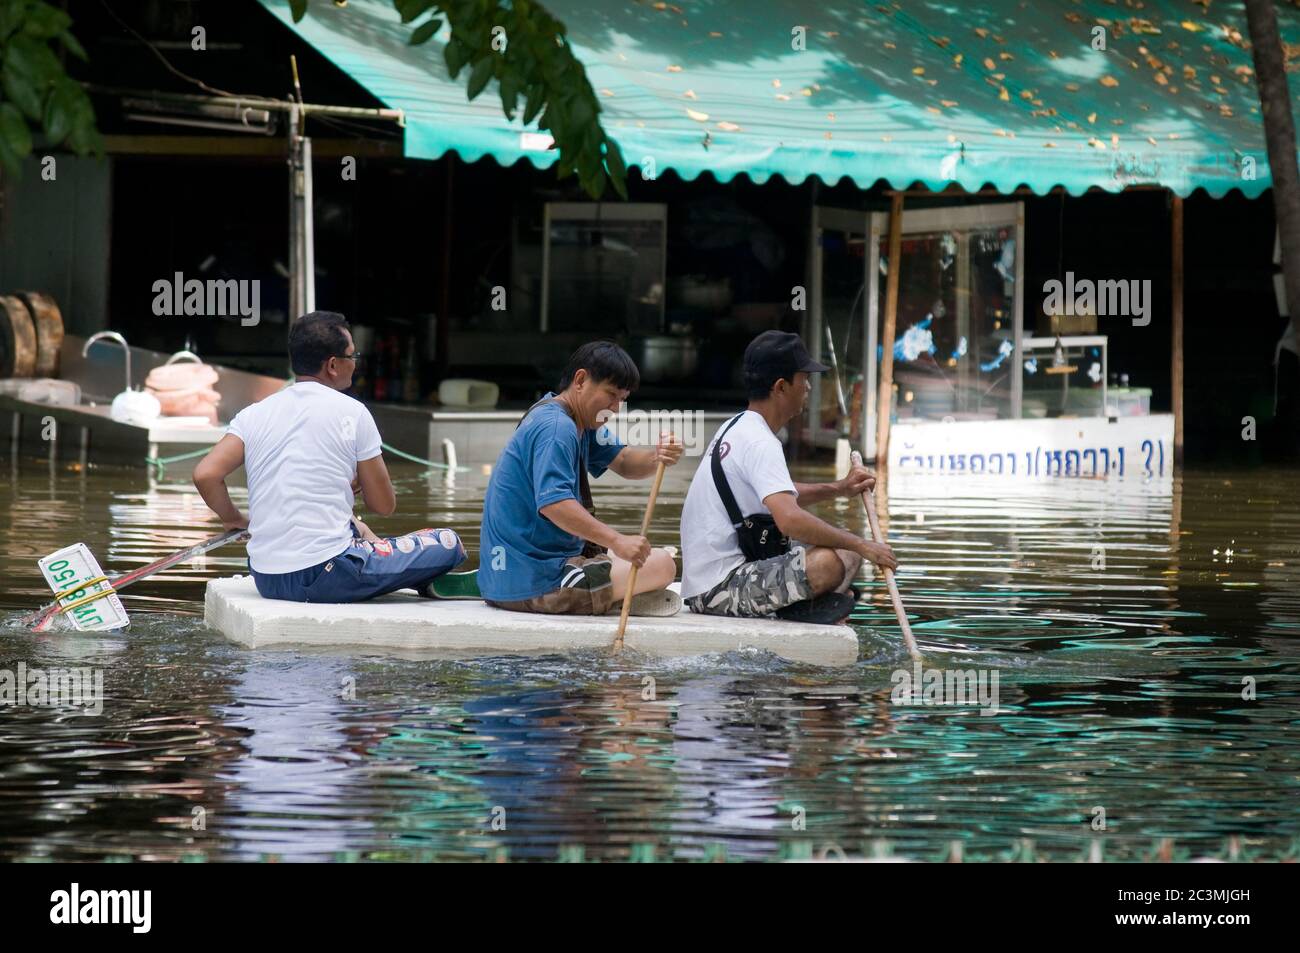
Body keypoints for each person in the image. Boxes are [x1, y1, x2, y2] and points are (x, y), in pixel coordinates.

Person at [193, 310, 465, 602]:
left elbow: (206, 474)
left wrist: (234, 518)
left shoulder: (254, 414)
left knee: (356, 526)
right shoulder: (354, 413)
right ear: (333, 365)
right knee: (448, 544)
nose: (355, 364)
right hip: (329, 574)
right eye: (352, 356)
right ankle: (411, 574)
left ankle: (383, 559)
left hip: (268, 578)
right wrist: (364, 479)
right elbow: (384, 505)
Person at [680, 330, 898, 620]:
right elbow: (789, 519)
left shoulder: (739, 425)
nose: (808, 388)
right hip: (716, 590)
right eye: (803, 379)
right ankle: (804, 611)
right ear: (781, 387)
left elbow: (779, 493)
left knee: (847, 554)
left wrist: (839, 488)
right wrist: (862, 543)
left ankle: (814, 606)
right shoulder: (760, 442)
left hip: (715, 579)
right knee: (831, 563)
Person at [479, 341, 682, 615]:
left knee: (648, 557)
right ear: (581, 380)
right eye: (610, 395)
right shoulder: (557, 427)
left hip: (520, 572)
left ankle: (612, 593)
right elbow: (555, 505)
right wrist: (617, 540)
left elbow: (623, 461)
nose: (615, 408)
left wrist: (658, 456)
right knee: (662, 565)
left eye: (622, 399)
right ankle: (607, 595)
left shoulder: (578, 420)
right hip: (533, 582)